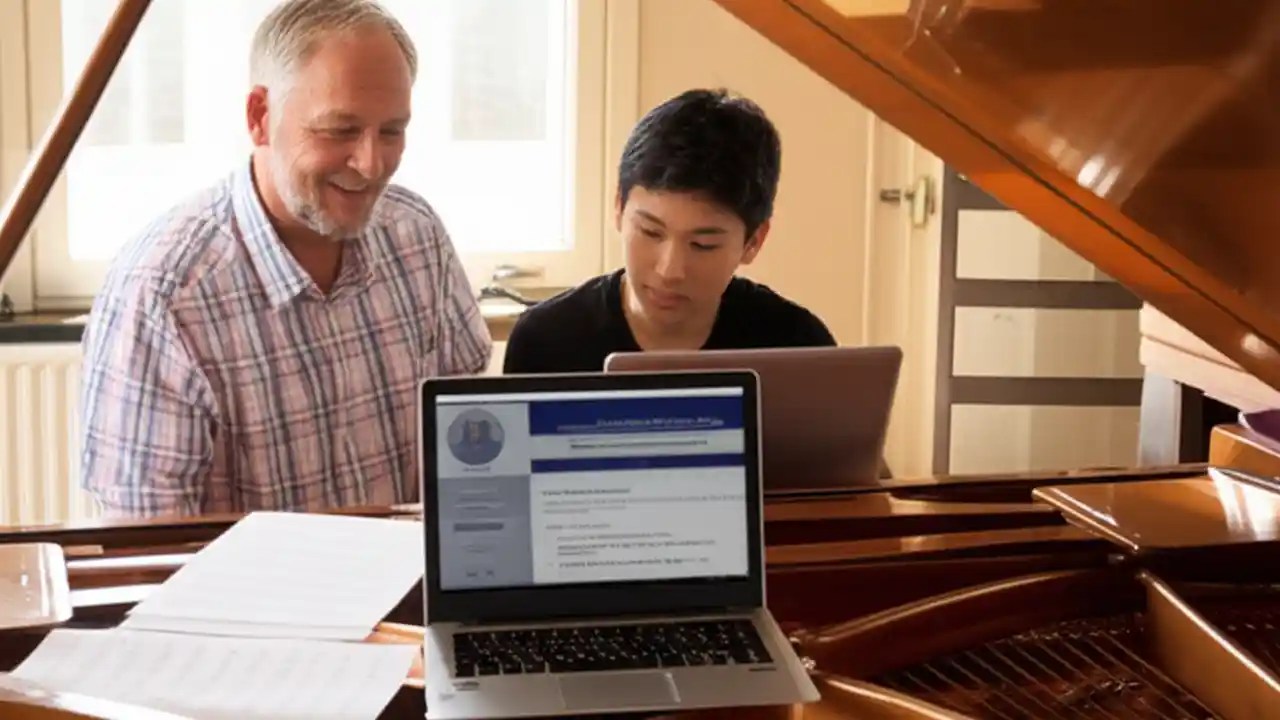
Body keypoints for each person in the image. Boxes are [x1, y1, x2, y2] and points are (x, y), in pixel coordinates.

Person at [77, 0, 490, 518]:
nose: (371, 163)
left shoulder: (417, 237)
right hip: (237, 599)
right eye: (339, 130)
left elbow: (469, 459)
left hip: (410, 591)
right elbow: (147, 554)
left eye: (392, 131)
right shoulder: (161, 296)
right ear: (260, 117)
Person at [501, 88, 834, 375]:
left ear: (754, 242)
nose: (669, 270)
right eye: (650, 232)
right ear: (618, 207)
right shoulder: (546, 341)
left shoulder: (796, 345)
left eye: (703, 245)